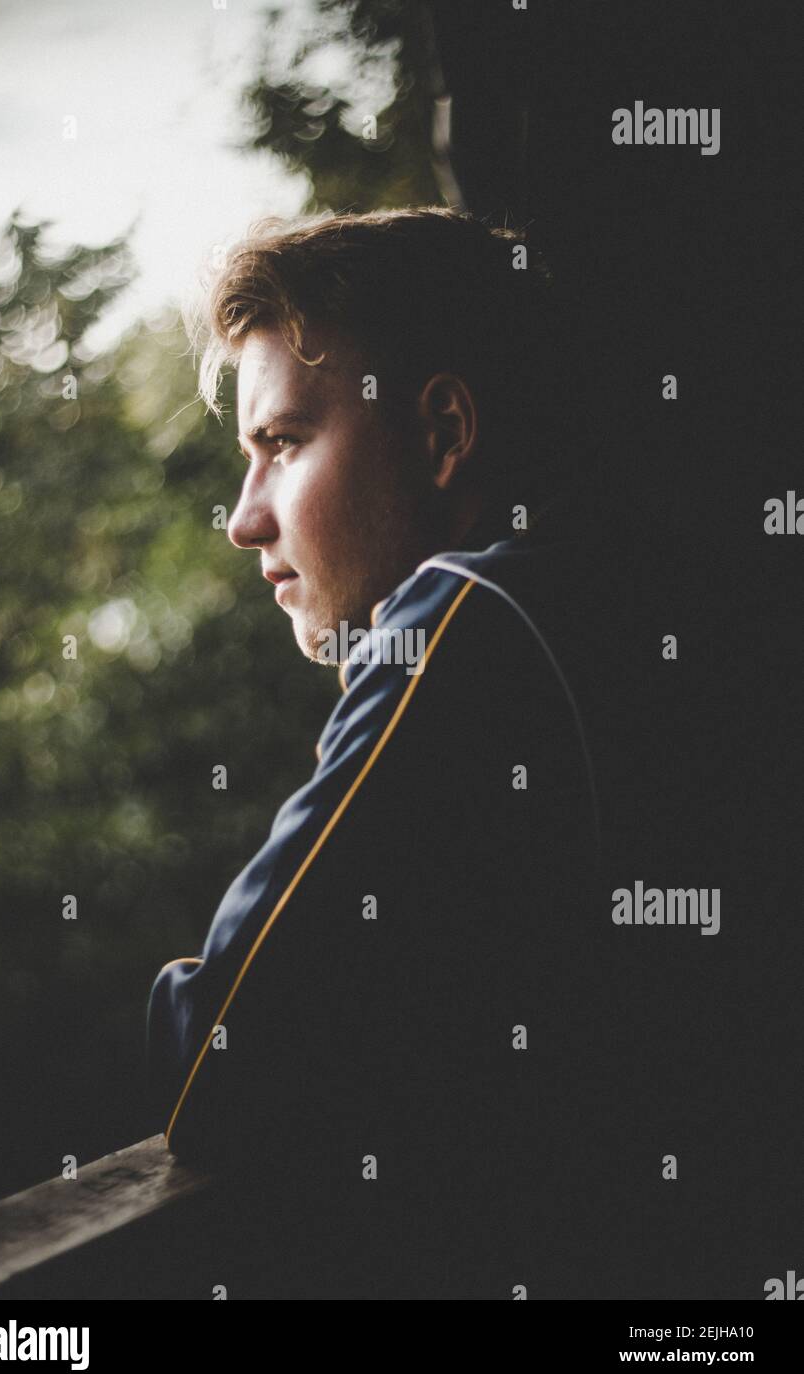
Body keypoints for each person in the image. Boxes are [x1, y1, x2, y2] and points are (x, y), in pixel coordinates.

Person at [146, 206, 613, 1298]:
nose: (242, 519)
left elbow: (214, 1050)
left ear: (445, 431)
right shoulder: (613, 598)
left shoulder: (468, 616)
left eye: (282, 443)